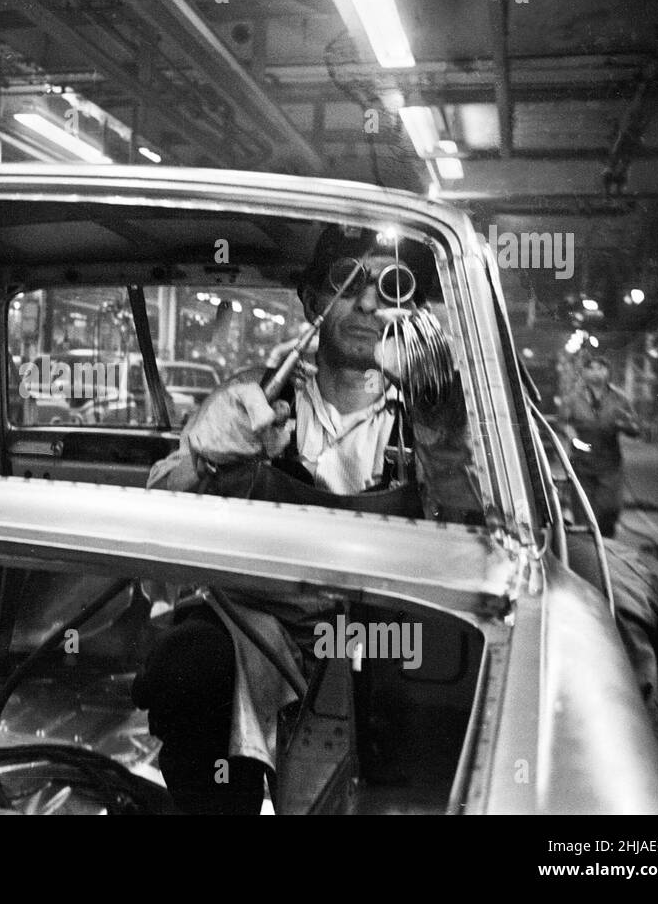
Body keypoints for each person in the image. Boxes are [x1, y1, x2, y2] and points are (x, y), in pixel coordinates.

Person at [132, 225, 477, 814]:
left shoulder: (432, 413)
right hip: (258, 625)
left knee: (434, 703)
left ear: (412, 309)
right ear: (313, 299)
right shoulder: (254, 396)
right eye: (348, 282)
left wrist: (443, 441)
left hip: (378, 630)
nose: (368, 303)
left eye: (389, 287)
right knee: (189, 664)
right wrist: (203, 454)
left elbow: (479, 539)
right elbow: (150, 527)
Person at [558, 355, 641, 537]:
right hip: (582, 463)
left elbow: (635, 428)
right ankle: (589, 551)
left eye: (601, 368)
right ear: (584, 372)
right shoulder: (573, 399)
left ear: (608, 372)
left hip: (610, 464)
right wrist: (573, 437)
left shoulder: (620, 399)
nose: (596, 372)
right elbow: (563, 422)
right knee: (583, 513)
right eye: (591, 368)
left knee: (609, 510)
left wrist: (624, 424)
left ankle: (607, 546)